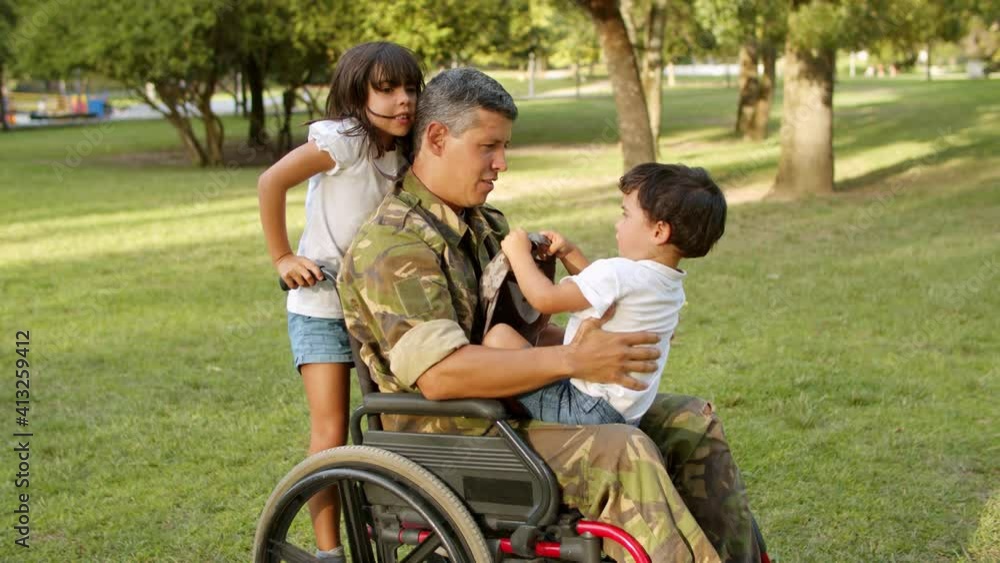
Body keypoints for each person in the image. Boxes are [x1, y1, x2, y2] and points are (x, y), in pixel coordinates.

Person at [339, 67, 760, 562]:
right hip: (456, 441)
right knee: (623, 450)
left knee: (692, 420)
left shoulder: (483, 224)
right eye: (488, 147)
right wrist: (575, 361)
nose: (502, 163)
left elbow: (519, 329)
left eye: (505, 147)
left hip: (509, 411)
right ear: (436, 137)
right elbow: (442, 377)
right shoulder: (394, 245)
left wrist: (607, 344)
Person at [257, 41, 422, 563]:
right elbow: (271, 180)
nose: (403, 101)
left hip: (379, 310)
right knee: (330, 429)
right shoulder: (344, 140)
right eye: (387, 89)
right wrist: (283, 256)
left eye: (410, 89)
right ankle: (329, 552)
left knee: (396, 419)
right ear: (357, 93)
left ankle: (405, 526)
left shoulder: (407, 148)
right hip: (322, 306)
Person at [484, 163, 726, 427]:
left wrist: (518, 254)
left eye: (626, 215)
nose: (617, 224)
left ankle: (504, 415)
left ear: (659, 231)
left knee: (499, 338)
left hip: (583, 409)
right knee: (545, 339)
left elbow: (546, 299)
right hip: (623, 414)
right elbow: (603, 294)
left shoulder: (618, 272)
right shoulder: (668, 286)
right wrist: (569, 253)